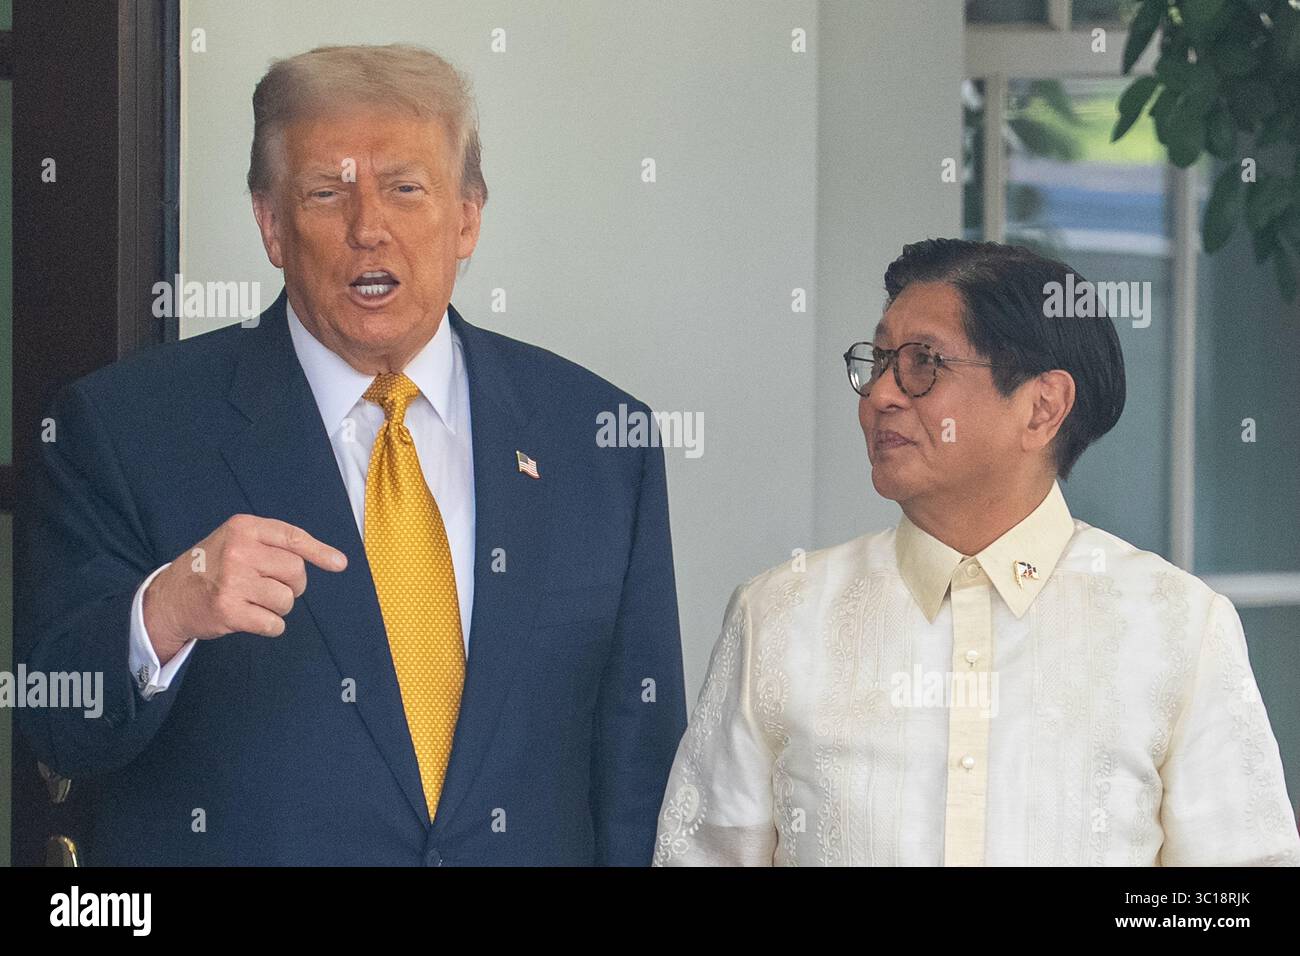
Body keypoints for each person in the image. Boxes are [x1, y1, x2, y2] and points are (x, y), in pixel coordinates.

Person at [17, 44, 686, 866]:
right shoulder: (126, 428)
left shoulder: (599, 437)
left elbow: (639, 770)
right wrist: (169, 610)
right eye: (327, 194)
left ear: (469, 214)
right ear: (270, 222)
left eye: (406, 189)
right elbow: (54, 721)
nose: (370, 228)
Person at [654, 238, 1300, 866]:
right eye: (877, 362)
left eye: (923, 363)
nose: (882, 394)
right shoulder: (781, 612)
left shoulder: (1175, 624)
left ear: (1043, 407)